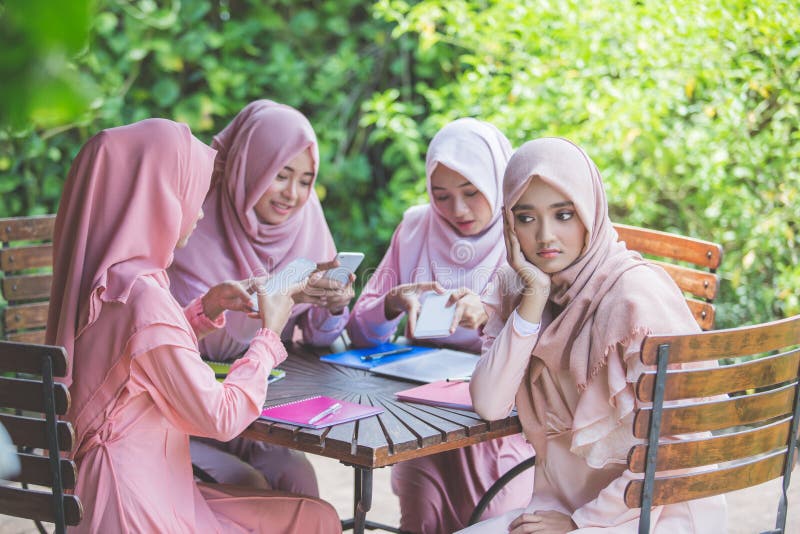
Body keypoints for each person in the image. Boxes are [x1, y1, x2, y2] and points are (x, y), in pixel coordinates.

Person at [45, 118, 341, 533]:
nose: (200, 211)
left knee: (312, 514)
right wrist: (269, 336)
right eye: (190, 195)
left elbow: (135, 358)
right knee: (316, 518)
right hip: (137, 508)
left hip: (121, 488)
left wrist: (206, 307)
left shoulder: (102, 282)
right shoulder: (143, 296)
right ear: (156, 197)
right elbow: (220, 417)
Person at [459, 137, 727, 533]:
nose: (545, 236)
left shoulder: (635, 300)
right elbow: (490, 404)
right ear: (509, 222)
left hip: (658, 514)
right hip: (562, 507)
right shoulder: (519, 286)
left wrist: (580, 524)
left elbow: (675, 449)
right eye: (526, 217)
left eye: (563, 214)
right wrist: (533, 299)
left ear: (590, 211)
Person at [347, 118, 536, 533]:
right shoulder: (416, 226)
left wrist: (489, 315)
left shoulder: (527, 234)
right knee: (420, 518)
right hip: (419, 420)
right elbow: (360, 333)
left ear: (497, 183)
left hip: (495, 429)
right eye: (442, 195)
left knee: (490, 517)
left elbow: (543, 337)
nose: (458, 210)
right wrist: (392, 302)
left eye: (472, 193)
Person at [168, 100, 354, 496]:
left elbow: (317, 339)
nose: (293, 194)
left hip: (254, 407)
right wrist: (275, 303)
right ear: (248, 167)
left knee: (295, 474)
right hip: (180, 411)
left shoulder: (306, 221)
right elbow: (191, 337)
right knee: (246, 483)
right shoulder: (192, 219)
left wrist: (332, 305)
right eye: (281, 175)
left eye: (305, 181)